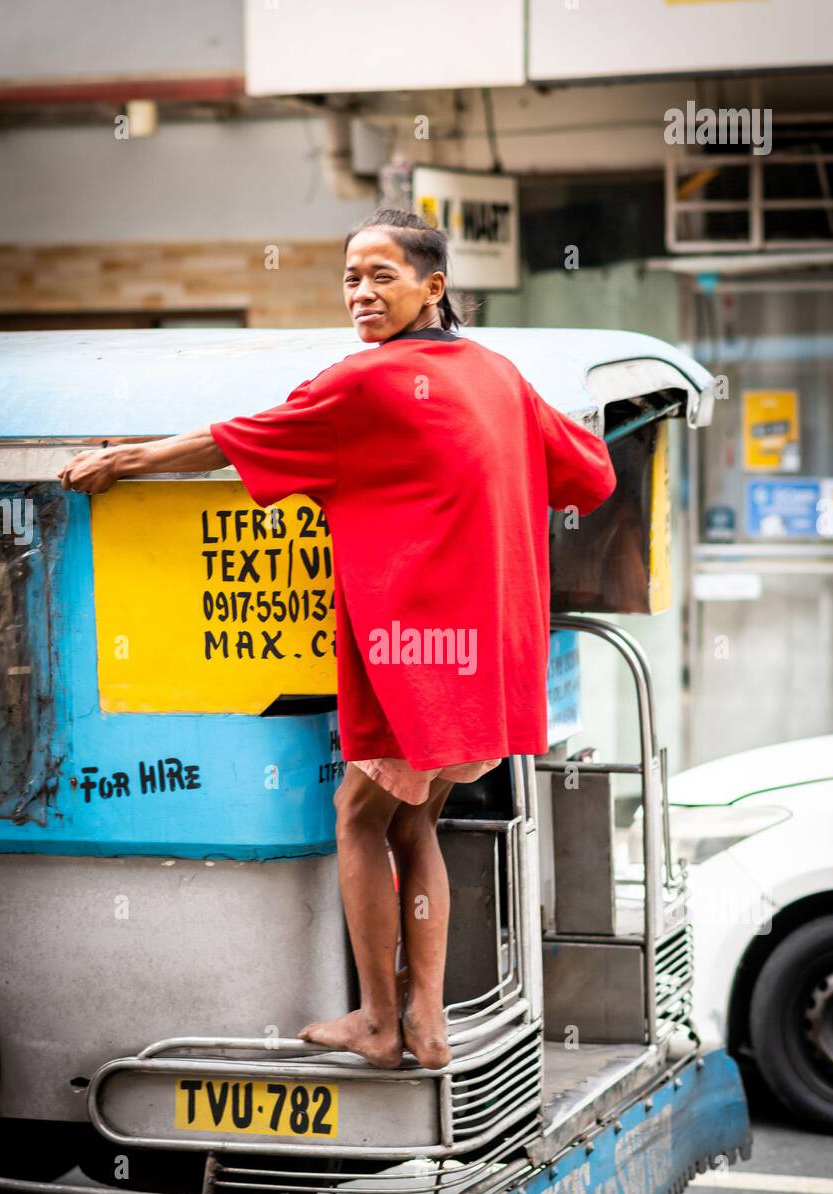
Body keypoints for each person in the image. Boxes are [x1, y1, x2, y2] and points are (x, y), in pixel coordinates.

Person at [57, 207, 616, 1073]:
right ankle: (427, 1024)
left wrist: (123, 461)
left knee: (357, 820)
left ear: (434, 288)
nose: (362, 294)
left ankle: (380, 1022)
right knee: (416, 826)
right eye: (352, 278)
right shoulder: (500, 374)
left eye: (383, 277)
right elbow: (592, 470)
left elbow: (227, 441)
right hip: (487, 668)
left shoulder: (364, 384)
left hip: (414, 663)